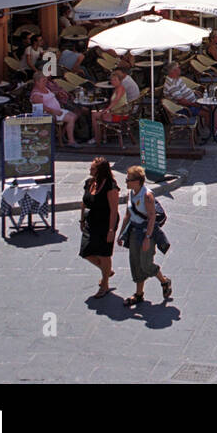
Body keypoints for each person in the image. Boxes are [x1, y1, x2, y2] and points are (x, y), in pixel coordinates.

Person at [118, 166, 173, 307]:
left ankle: (164, 281)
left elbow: (152, 217)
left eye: (128, 180)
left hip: (145, 233)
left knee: (146, 264)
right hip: (134, 232)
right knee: (135, 262)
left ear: (137, 181)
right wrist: (121, 233)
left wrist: (147, 238)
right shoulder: (131, 193)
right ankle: (139, 294)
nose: (126, 182)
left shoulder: (147, 196)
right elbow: (127, 215)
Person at [80, 157, 119, 298]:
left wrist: (111, 230)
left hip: (105, 222)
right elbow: (84, 203)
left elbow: (114, 210)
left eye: (92, 168)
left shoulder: (110, 186)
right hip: (91, 221)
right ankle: (106, 271)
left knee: (104, 254)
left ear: (100, 171)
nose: (90, 170)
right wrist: (82, 220)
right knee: (86, 251)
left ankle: (105, 283)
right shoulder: (89, 183)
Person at [31, 71, 84, 144]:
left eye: (46, 80)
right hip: (50, 114)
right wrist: (55, 112)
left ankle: (61, 135)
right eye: (43, 81)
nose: (45, 82)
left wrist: (57, 93)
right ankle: (71, 141)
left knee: (75, 115)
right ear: (37, 82)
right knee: (71, 118)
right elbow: (42, 108)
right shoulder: (36, 95)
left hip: (57, 110)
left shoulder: (44, 88)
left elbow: (49, 96)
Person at [91, 70, 132, 143]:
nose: (113, 81)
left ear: (120, 80)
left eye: (115, 80)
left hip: (119, 115)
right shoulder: (117, 88)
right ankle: (100, 136)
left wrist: (107, 109)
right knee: (96, 113)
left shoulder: (120, 89)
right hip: (117, 112)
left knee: (94, 115)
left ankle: (97, 138)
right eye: (112, 80)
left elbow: (116, 100)